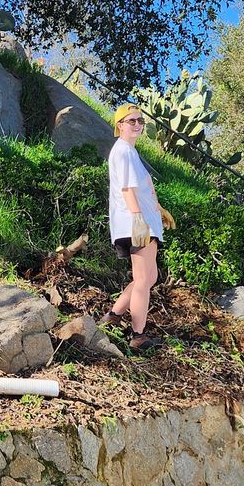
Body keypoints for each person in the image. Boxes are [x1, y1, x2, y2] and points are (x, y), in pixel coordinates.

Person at [100, 104, 176, 353]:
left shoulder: (130, 152)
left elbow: (142, 189)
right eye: (130, 121)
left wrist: (158, 210)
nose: (136, 125)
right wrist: (139, 218)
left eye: (140, 121)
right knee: (143, 279)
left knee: (149, 277)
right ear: (119, 125)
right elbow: (127, 190)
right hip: (136, 224)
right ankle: (138, 336)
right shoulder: (123, 151)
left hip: (143, 222)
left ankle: (113, 315)